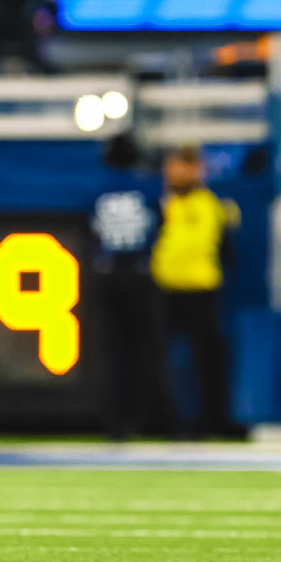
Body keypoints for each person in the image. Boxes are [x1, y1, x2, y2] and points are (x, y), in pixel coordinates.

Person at [150, 147, 244, 439]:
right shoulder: (160, 204)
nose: (182, 173)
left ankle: (214, 421)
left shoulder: (212, 205)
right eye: (177, 166)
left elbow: (226, 251)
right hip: (165, 290)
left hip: (203, 291)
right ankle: (162, 422)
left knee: (209, 360)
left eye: (189, 166)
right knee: (158, 359)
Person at [90, 134, 174, 440]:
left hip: (110, 272)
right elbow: (161, 223)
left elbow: (90, 227)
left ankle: (115, 423)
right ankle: (157, 421)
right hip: (140, 273)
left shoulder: (98, 188)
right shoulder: (148, 187)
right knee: (149, 351)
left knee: (113, 353)